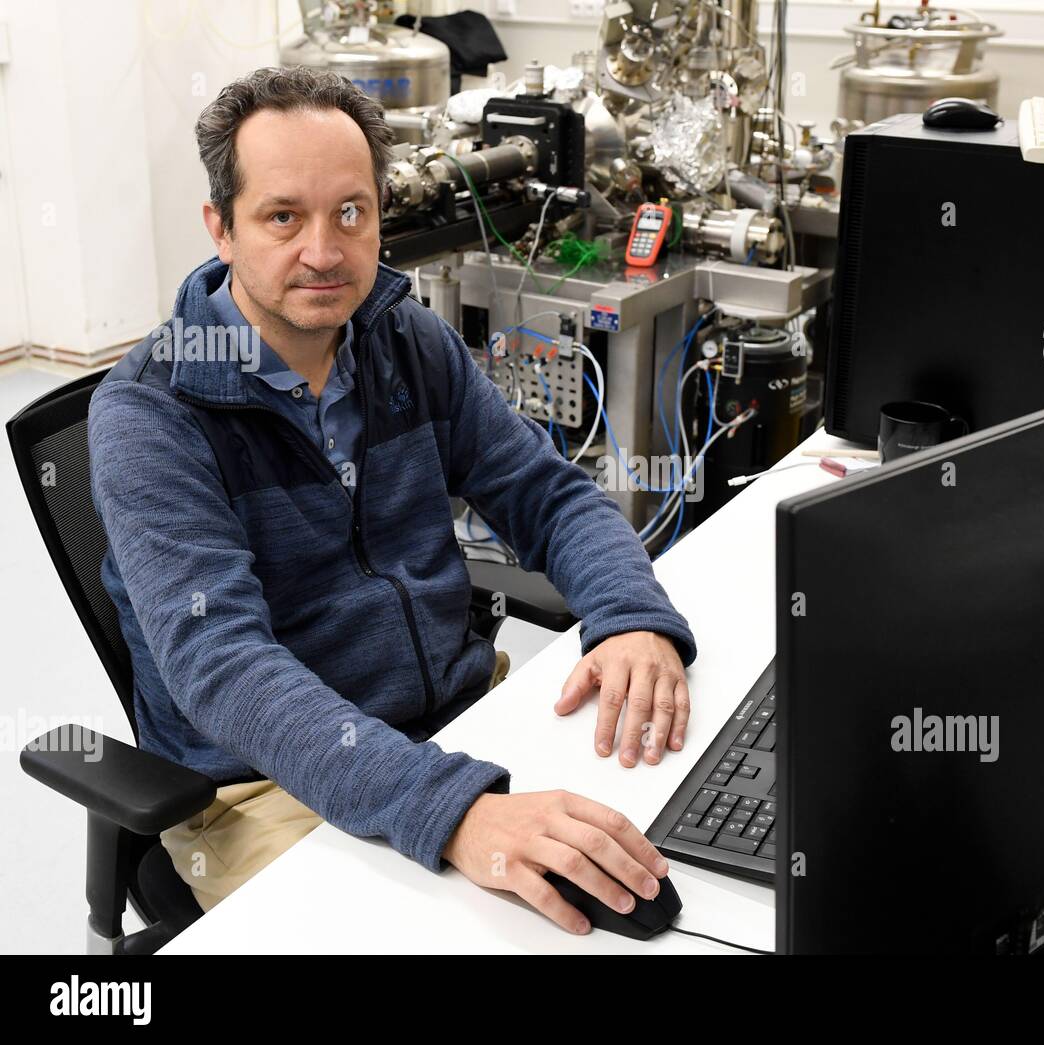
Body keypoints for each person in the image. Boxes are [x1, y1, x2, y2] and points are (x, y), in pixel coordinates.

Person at [87, 66, 695, 935]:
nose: (326, 252)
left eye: (351, 211)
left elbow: (547, 494)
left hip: (455, 718)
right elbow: (223, 666)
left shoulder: (401, 336)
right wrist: (454, 811)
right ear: (221, 227)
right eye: (282, 216)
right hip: (265, 785)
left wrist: (629, 612)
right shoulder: (152, 413)